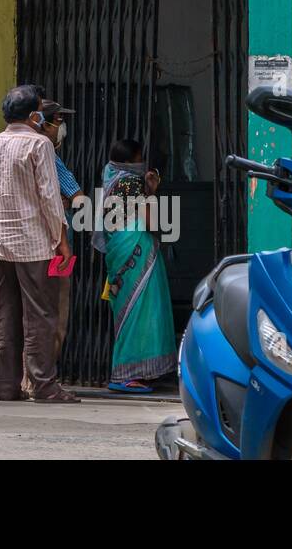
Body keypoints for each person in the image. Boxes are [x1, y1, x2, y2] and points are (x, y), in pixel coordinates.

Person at [0, 84, 78, 403]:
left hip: (3, 243)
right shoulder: (38, 144)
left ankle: (6, 383)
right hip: (36, 243)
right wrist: (61, 239)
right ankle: (43, 383)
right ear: (35, 115)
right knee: (42, 315)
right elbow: (50, 195)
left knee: (9, 313)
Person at [96, 138, 176, 394]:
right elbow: (148, 219)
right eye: (140, 157)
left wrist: (149, 189)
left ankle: (140, 371)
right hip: (136, 249)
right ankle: (127, 374)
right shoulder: (131, 181)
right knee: (141, 310)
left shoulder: (111, 177)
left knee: (131, 311)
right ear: (132, 160)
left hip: (120, 249)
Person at [32, 87, 82, 366]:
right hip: (56, 248)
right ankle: (44, 375)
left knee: (25, 312)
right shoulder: (47, 152)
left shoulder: (3, 145)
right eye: (59, 121)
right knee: (54, 311)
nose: (61, 127)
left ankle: (24, 377)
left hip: (19, 248)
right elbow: (77, 197)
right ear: (45, 122)